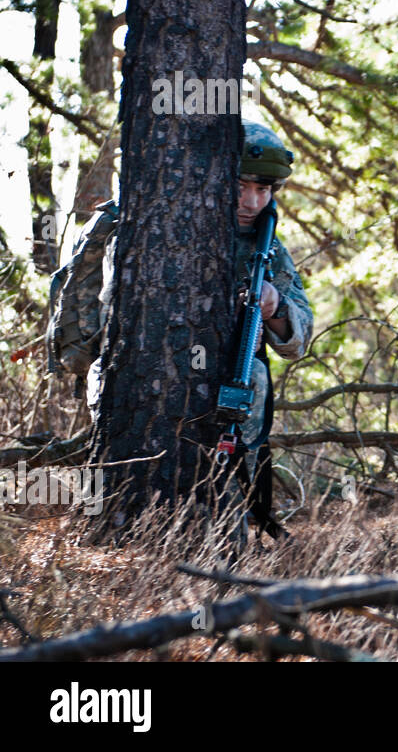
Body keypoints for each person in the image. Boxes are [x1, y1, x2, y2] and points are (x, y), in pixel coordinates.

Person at [54, 121, 312, 533]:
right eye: (240, 186)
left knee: (250, 399)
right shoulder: (136, 223)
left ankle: (233, 530)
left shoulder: (268, 246)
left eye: (263, 190)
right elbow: (81, 315)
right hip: (134, 377)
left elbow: (298, 341)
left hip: (226, 387)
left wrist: (274, 305)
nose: (251, 201)